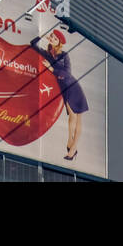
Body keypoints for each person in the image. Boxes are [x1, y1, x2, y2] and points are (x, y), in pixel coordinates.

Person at [31, 30, 88, 162]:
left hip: (72, 86)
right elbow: (33, 45)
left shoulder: (64, 55)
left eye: (55, 38)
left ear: (59, 43)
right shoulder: (48, 54)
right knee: (72, 117)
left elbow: (67, 73)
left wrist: (52, 69)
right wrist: (42, 36)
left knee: (77, 117)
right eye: (52, 36)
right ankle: (70, 144)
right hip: (64, 88)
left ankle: (72, 148)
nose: (52, 39)